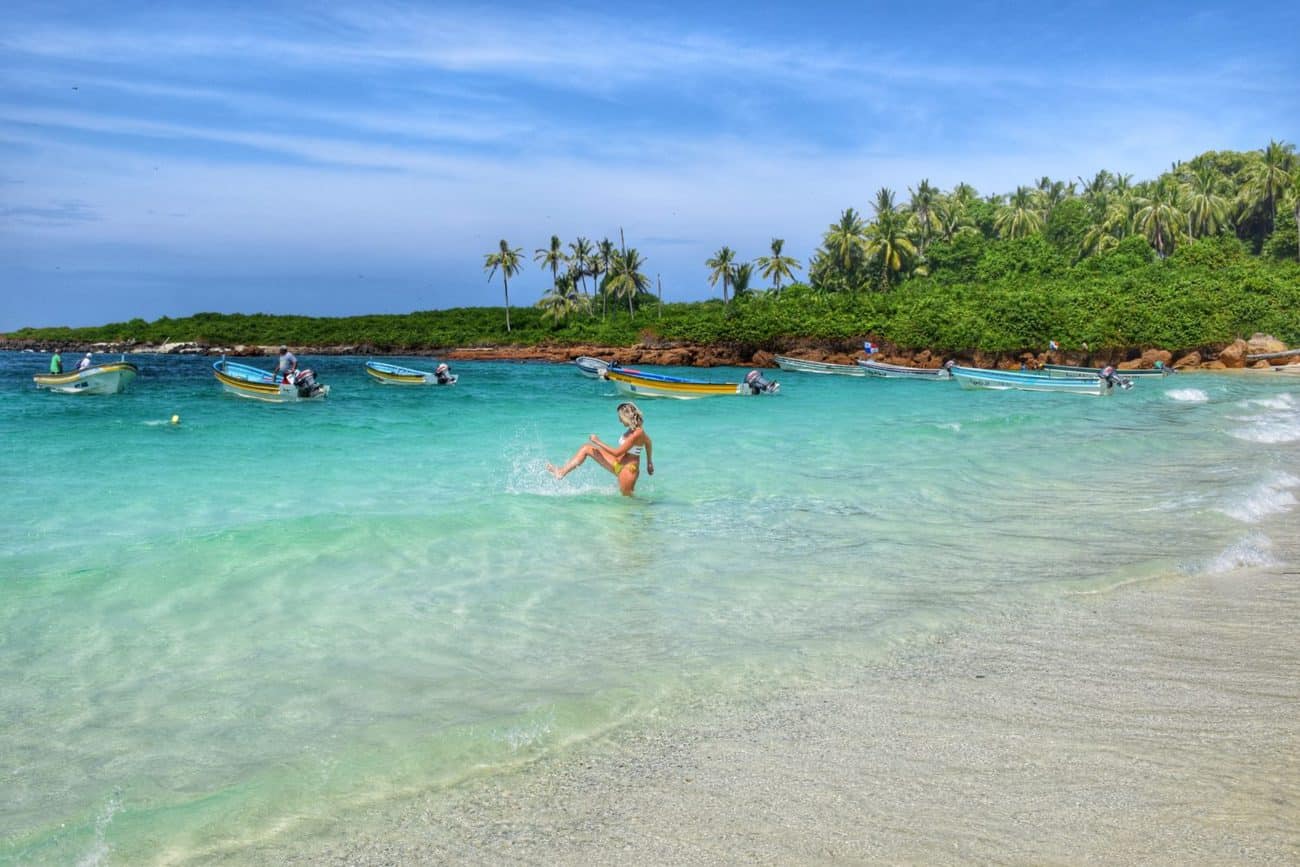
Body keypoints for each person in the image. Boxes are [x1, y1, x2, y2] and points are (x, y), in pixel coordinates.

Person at [548, 402, 654, 497]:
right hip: (618, 464)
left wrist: (598, 441)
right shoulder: (632, 430)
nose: (619, 420)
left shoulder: (638, 433)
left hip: (628, 471)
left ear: (626, 416)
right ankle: (561, 472)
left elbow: (617, 453)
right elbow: (648, 443)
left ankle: (648, 510)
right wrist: (649, 463)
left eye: (620, 417)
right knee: (587, 448)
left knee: (628, 502)